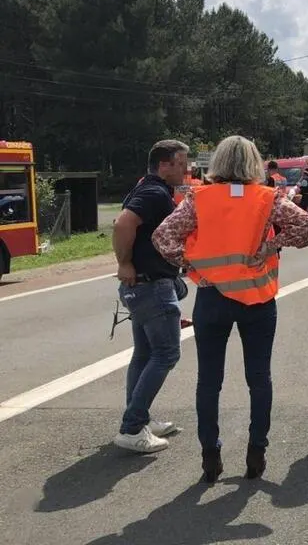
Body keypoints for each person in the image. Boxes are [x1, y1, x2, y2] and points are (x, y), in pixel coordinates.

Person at [152, 135, 308, 482]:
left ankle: (210, 455)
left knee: (209, 381)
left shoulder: (198, 198)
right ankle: (256, 450)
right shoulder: (268, 197)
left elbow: (162, 237)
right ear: (254, 163)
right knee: (259, 378)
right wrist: (272, 244)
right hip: (257, 298)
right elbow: (307, 226)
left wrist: (190, 265)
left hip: (212, 298)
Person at [111, 139, 190, 454]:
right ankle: (132, 427)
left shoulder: (146, 188)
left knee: (144, 354)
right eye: (182, 163)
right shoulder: (155, 193)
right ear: (165, 164)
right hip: (151, 286)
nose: (187, 169)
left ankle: (139, 417)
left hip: (143, 286)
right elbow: (122, 224)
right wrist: (124, 262)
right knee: (166, 354)